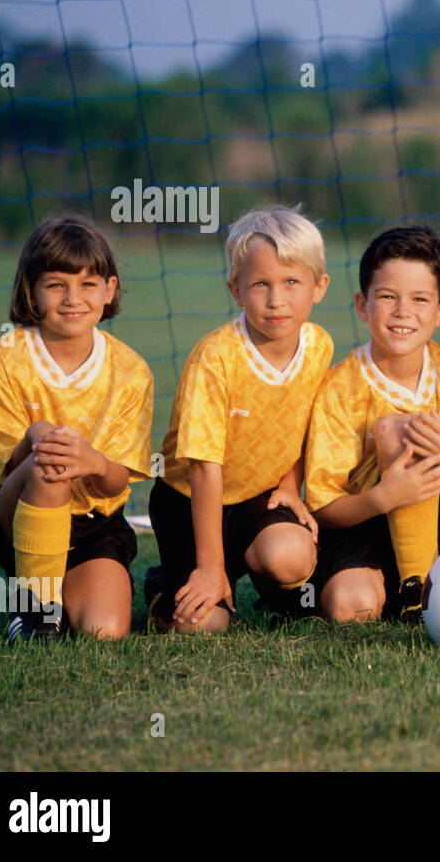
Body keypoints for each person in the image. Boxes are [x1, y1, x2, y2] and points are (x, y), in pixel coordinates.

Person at [0, 215, 153, 641]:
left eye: (88, 284)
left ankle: (62, 592)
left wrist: (93, 462)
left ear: (110, 290)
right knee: (50, 462)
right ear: (30, 289)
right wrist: (35, 437)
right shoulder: (5, 356)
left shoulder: (131, 370)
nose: (73, 298)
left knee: (103, 630)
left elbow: (115, 483)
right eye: (55, 284)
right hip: (16, 506)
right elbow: (0, 471)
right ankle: (34, 611)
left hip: (93, 518)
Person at [145, 206, 333, 632]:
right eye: (260, 284)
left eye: (291, 282)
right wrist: (210, 567)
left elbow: (305, 424)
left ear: (319, 286)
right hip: (190, 500)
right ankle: (168, 587)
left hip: (257, 496)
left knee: (292, 556)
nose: (276, 299)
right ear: (235, 290)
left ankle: (270, 585)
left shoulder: (319, 345)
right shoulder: (216, 358)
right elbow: (203, 467)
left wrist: (289, 485)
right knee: (203, 626)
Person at [305, 225, 440, 623]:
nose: (403, 312)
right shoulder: (339, 387)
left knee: (405, 430)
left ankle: (417, 586)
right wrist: (384, 497)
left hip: (438, 515)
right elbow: (323, 506)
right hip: (363, 521)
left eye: (420, 299)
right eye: (387, 297)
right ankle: (408, 589)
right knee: (351, 608)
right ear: (362, 305)